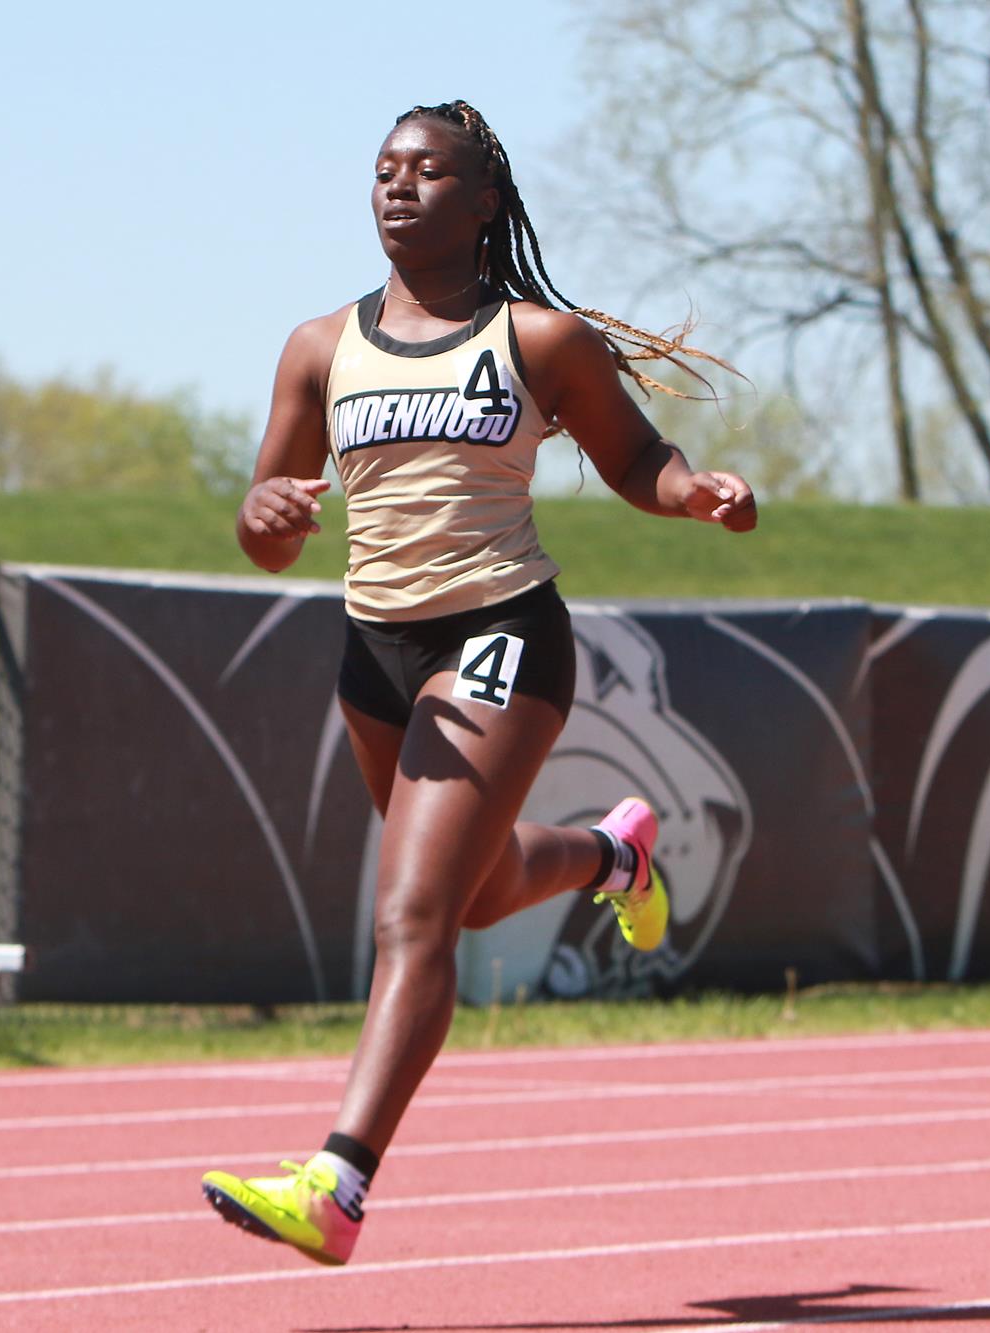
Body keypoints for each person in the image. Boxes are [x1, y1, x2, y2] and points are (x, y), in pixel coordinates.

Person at [200, 99, 758, 1267]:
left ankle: (338, 1182)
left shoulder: (538, 341)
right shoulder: (318, 346)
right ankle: (615, 855)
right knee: (474, 889)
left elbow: (636, 460)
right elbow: (267, 528)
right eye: (384, 170)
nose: (399, 187)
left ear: (486, 200)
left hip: (496, 634)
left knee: (409, 915)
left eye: (429, 172)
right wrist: (261, 514)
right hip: (375, 654)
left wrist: (692, 490)